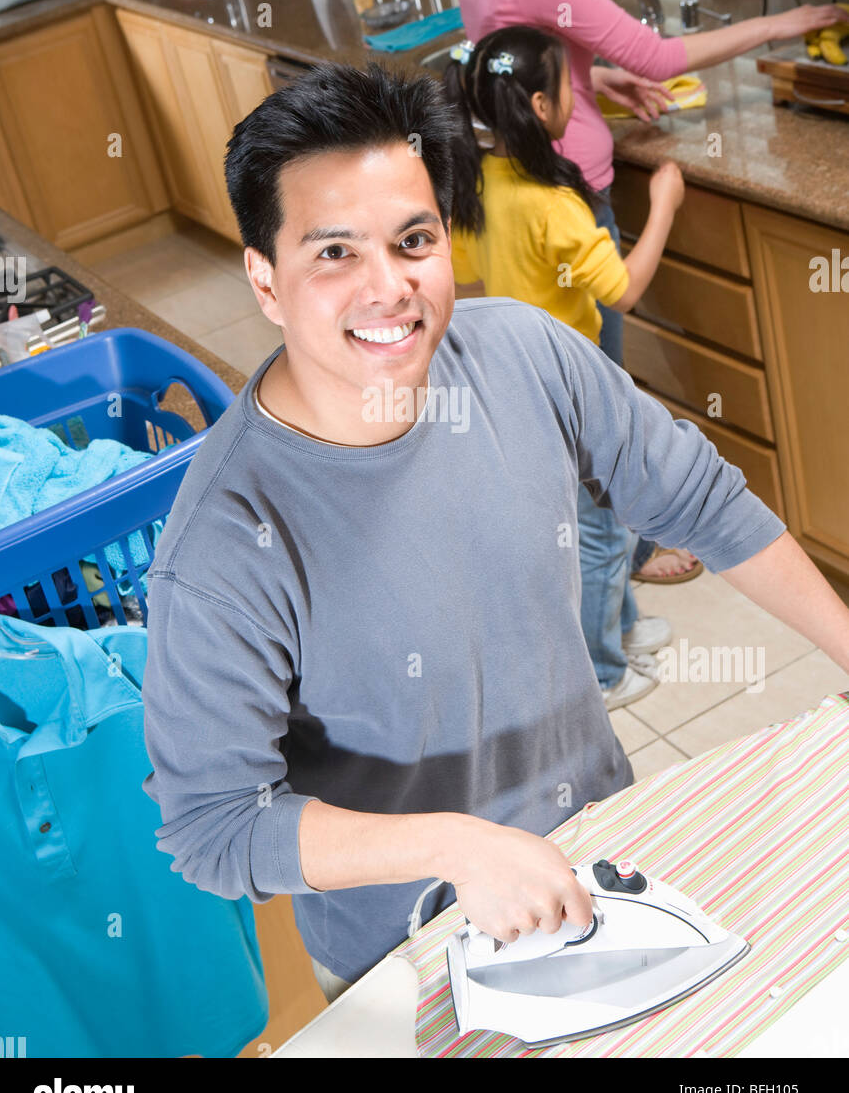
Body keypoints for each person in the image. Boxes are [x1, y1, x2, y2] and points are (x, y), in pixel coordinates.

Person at [140, 62, 849, 1007]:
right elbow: (214, 827)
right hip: (410, 947)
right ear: (266, 282)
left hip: (601, 849)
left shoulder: (528, 354)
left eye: (414, 239)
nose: (390, 288)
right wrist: (456, 842)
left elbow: (703, 501)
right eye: (335, 254)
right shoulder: (225, 544)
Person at [458, 0, 849, 583]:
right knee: (600, 396)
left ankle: (611, 548)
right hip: (578, 185)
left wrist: (593, 82)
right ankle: (617, 555)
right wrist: (786, 20)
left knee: (579, 392)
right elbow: (661, 56)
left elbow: (516, 67)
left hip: (541, 174)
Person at [443, 25, 686, 707]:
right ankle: (602, 675)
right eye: (570, 89)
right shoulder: (553, 204)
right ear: (545, 107)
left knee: (603, 509)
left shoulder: (477, 186)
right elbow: (625, 290)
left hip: (521, 379)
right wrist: (662, 205)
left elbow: (466, 280)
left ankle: (625, 629)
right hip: (570, 386)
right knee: (603, 528)